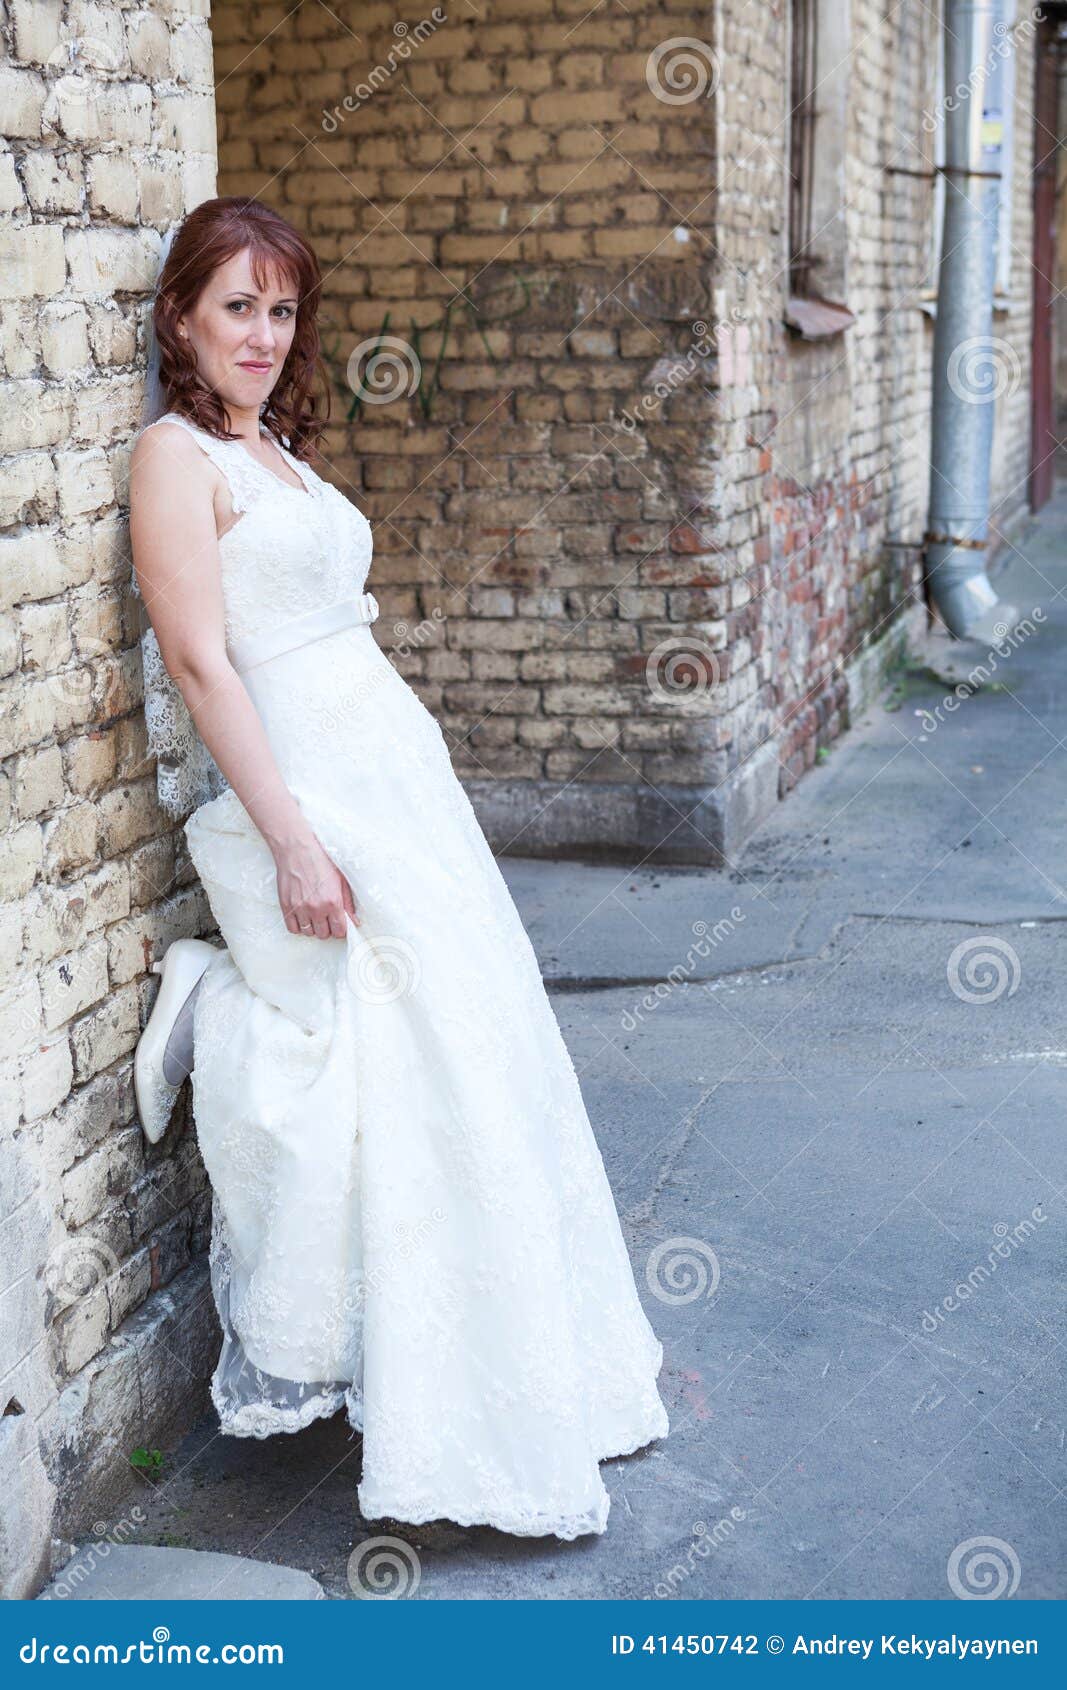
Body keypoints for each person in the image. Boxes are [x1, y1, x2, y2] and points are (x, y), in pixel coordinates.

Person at [129, 195, 669, 1540]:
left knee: (473, 1055)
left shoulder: (283, 456)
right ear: (182, 314)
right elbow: (202, 663)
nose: (263, 334)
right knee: (388, 1057)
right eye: (237, 305)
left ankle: (526, 1376)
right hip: (307, 787)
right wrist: (294, 836)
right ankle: (212, 1005)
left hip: (399, 782)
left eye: (282, 308)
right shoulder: (174, 458)